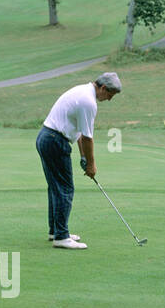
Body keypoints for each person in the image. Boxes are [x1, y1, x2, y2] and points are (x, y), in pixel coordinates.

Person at [35, 72, 122, 249]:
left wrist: (83, 157)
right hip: (54, 140)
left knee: (56, 187)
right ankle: (61, 236)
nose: (109, 100)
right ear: (103, 88)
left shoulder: (83, 91)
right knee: (65, 188)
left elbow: (82, 135)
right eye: (110, 95)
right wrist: (91, 165)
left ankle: (56, 231)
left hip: (47, 137)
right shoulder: (88, 102)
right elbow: (89, 138)